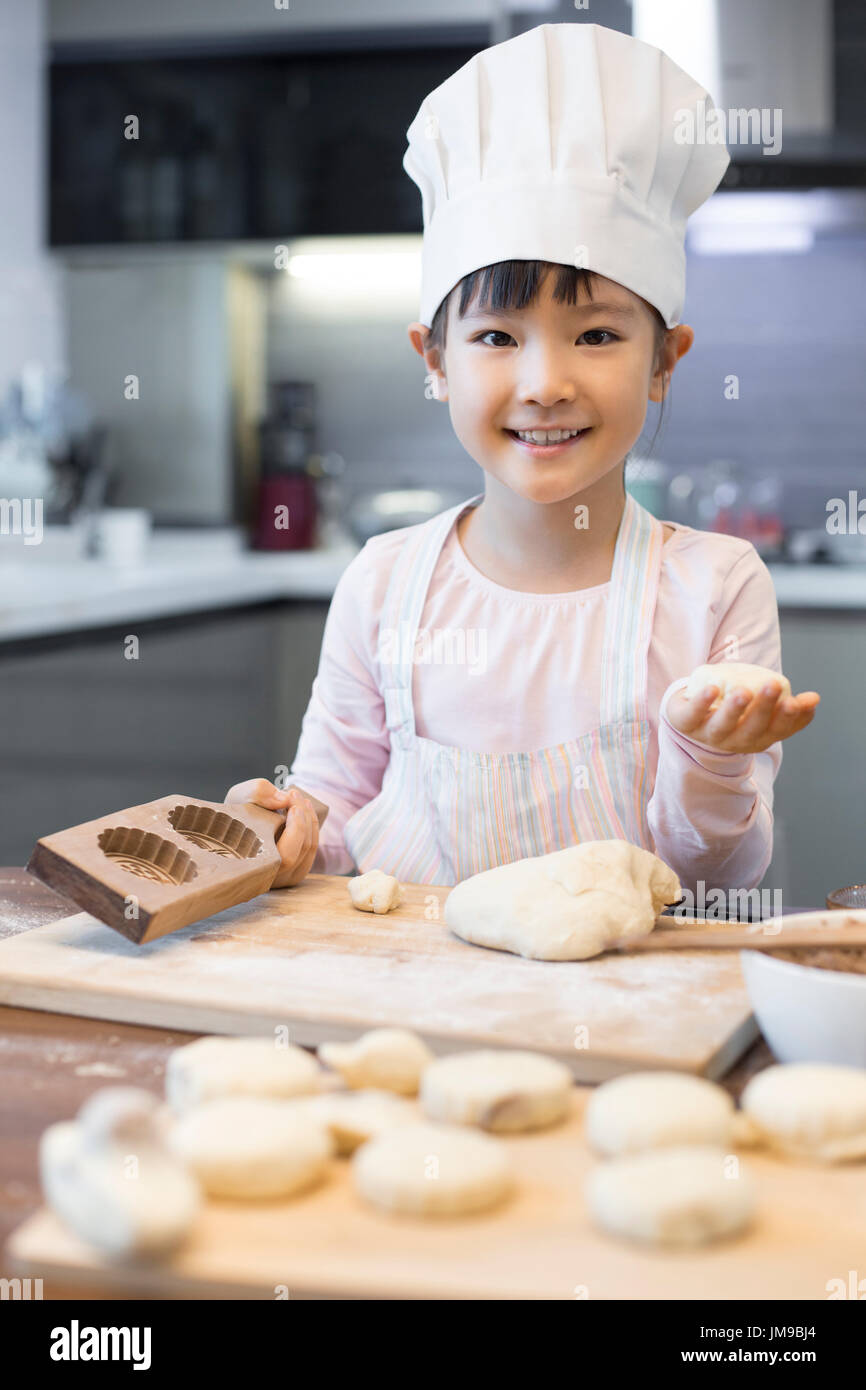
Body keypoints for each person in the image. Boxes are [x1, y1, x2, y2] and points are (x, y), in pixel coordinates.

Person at [226, 22, 819, 892]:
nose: (545, 382)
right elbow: (334, 814)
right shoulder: (383, 585)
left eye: (597, 335)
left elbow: (718, 875)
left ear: (664, 361)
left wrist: (711, 758)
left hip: (627, 1021)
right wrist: (289, 823)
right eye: (498, 335)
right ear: (435, 360)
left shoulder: (714, 589)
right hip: (404, 998)